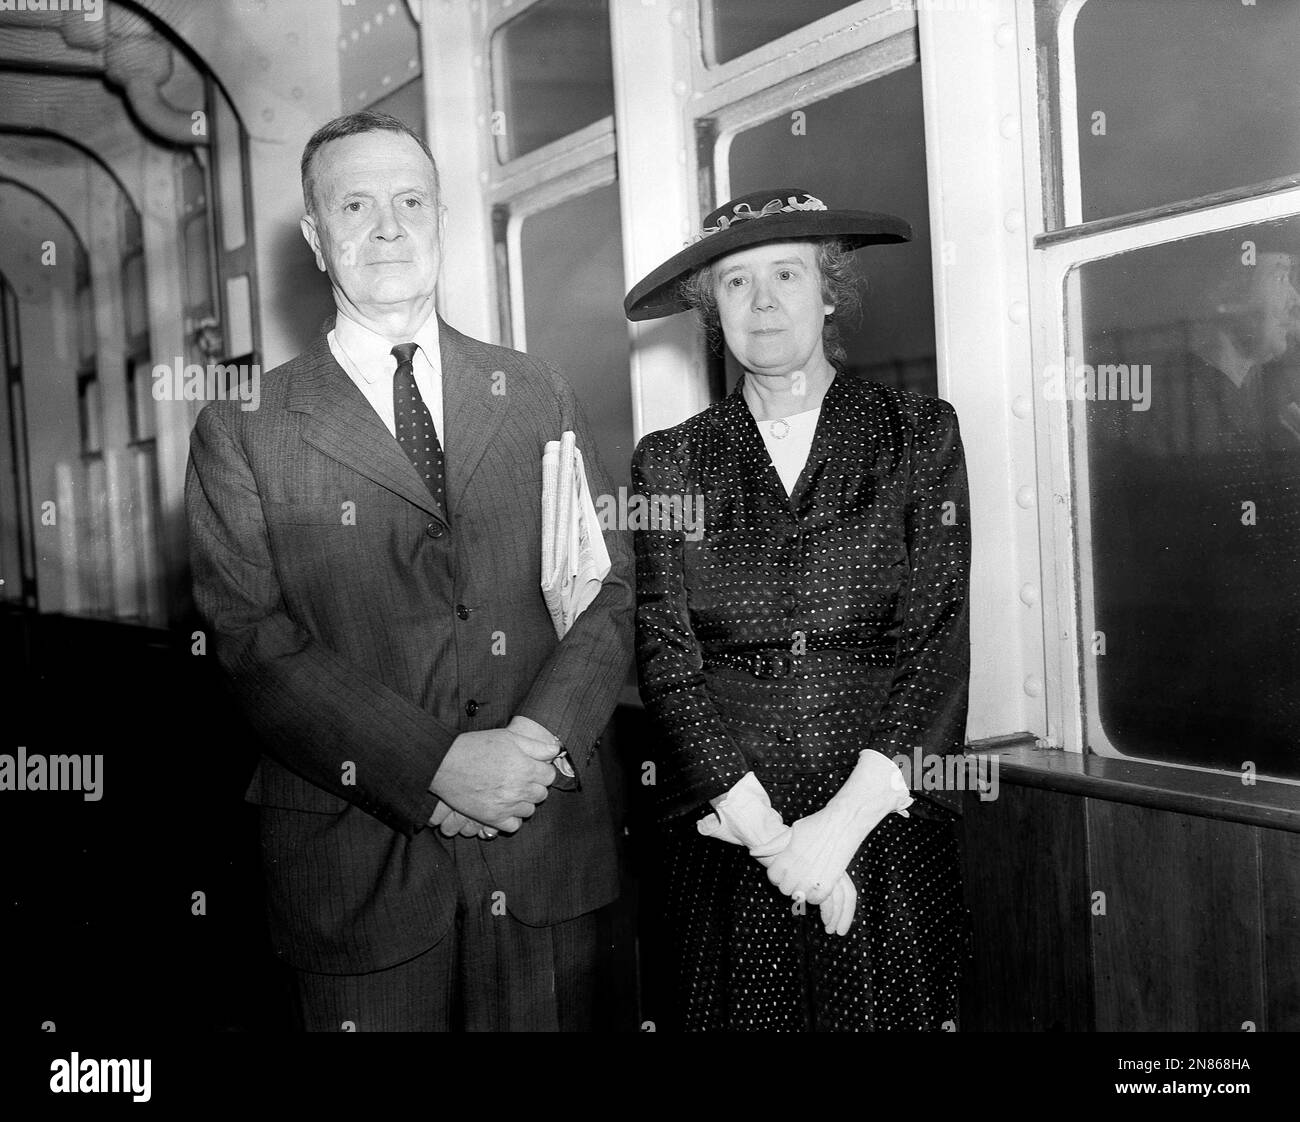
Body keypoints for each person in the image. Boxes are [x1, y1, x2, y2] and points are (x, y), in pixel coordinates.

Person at [185, 111, 633, 1031]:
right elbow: (252, 641)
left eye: (410, 201)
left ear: (439, 220)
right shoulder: (245, 424)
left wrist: (532, 750)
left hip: (543, 844)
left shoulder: (535, 390)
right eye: (355, 204)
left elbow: (607, 592)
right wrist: (438, 769)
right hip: (358, 872)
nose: (388, 227)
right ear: (316, 238)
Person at [624, 187, 971, 1031]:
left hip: (881, 826)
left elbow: (937, 643)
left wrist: (836, 832)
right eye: (737, 284)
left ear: (828, 293)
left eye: (787, 274)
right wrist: (776, 841)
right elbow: (666, 655)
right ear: (714, 312)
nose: (765, 300)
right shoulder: (669, 461)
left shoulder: (916, 432)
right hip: (729, 833)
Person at [1087, 232, 1300, 773]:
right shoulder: (1161, 408)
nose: (1295, 298)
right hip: (1212, 686)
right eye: (1280, 277)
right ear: (1225, 297)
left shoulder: (1271, 403)